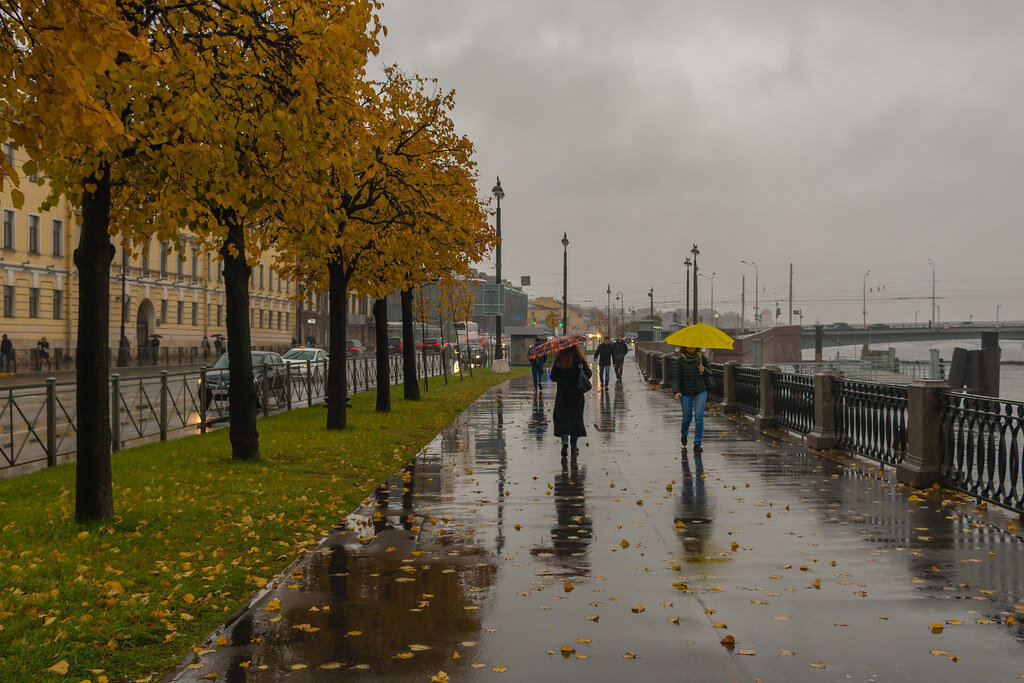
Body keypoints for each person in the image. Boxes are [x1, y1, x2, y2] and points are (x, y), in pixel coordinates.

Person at [549, 344, 592, 459]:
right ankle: (574, 445)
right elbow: (589, 374)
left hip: (562, 396)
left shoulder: (559, 359)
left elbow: (553, 377)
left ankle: (564, 441)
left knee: (562, 419)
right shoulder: (579, 359)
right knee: (575, 420)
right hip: (576, 395)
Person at [671, 345, 709, 453]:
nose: (691, 347)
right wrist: (676, 391)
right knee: (687, 417)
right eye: (689, 345)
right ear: (685, 347)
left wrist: (704, 370)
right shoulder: (680, 360)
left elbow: (710, 373)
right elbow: (676, 378)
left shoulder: (701, 358)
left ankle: (697, 443)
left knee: (698, 416)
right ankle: (684, 433)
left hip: (700, 391)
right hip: (685, 392)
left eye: (693, 345)